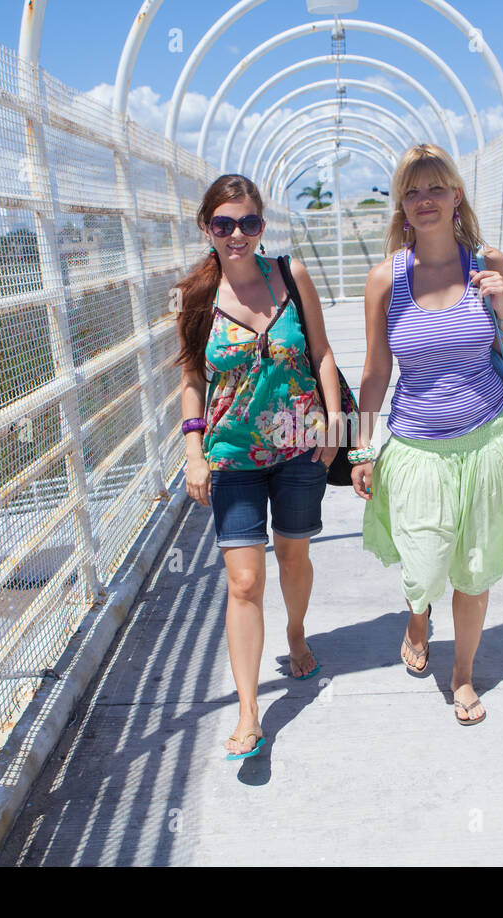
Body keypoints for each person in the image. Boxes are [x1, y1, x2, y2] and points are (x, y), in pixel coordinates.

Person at [350, 144, 503, 726]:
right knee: (422, 569)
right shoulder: (386, 279)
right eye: (413, 191)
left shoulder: (487, 262)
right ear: (402, 204)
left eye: (436, 189)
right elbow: (375, 374)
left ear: (456, 197)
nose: (425, 200)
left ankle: (464, 676)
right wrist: (359, 445)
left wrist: (501, 305)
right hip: (418, 448)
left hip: (487, 440)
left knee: (474, 571)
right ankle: (418, 615)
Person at [175, 174, 343, 759]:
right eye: (224, 224)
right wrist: (193, 454)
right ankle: (250, 713)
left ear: (262, 226)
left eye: (248, 223)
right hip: (232, 457)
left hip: (298, 446)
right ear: (207, 228)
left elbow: (321, 351)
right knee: (244, 581)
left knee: (294, 556)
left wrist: (336, 423)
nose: (236, 234)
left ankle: (296, 632)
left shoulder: (290, 275)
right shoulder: (196, 297)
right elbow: (193, 380)